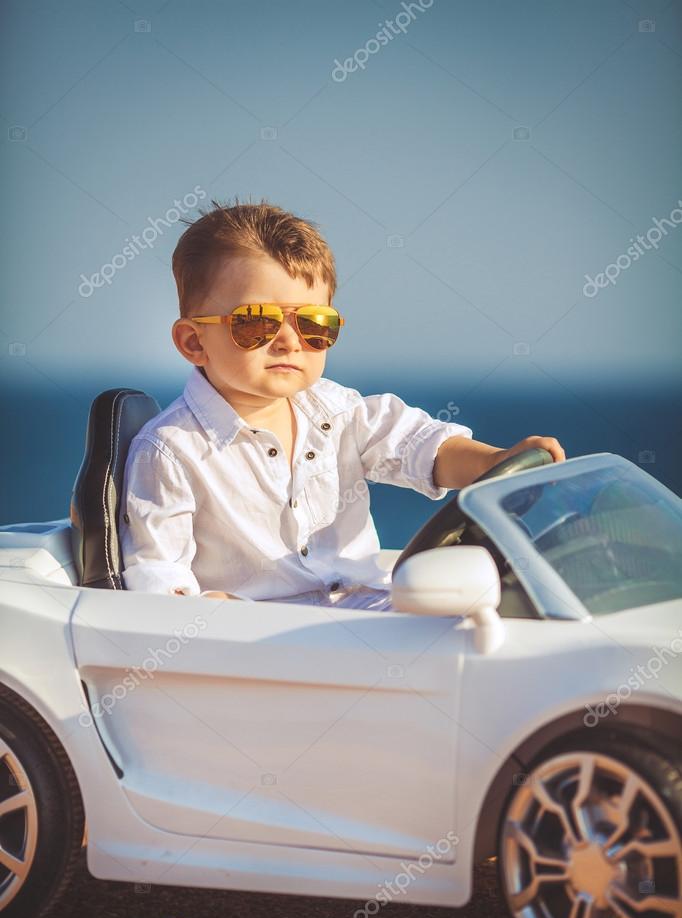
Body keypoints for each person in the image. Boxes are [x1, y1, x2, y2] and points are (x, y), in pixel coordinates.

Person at [120, 200, 565, 611]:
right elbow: (158, 576)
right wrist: (205, 608)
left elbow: (421, 446)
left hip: (366, 613)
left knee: (512, 618)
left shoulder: (339, 412)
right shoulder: (169, 450)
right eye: (256, 322)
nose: (290, 340)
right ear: (194, 341)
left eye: (314, 323)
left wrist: (498, 463)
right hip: (262, 644)